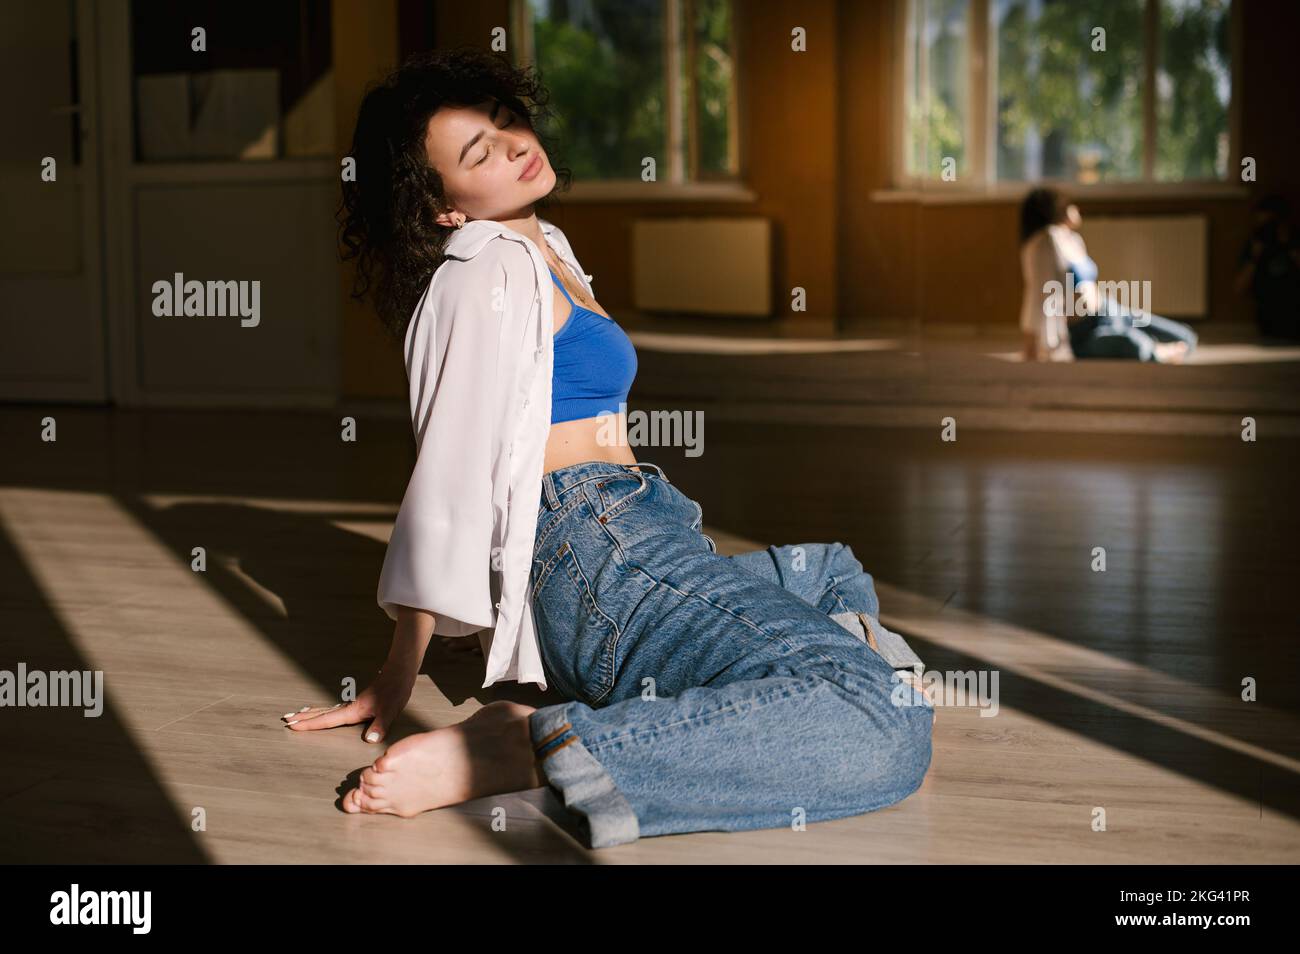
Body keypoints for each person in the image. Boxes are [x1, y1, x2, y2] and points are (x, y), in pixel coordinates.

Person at [281, 47, 934, 849]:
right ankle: (541, 747)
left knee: (830, 571)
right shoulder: (479, 272)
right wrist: (397, 671)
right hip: (600, 553)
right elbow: (445, 478)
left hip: (633, 534)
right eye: (477, 152)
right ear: (442, 207)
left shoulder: (542, 241)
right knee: (882, 722)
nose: (514, 144)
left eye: (505, 122)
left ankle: (719, 706)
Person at [1018, 187, 1199, 363]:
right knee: (1137, 347)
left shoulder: (1073, 239)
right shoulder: (1046, 242)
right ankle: (1156, 351)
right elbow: (1038, 296)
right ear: (1057, 209)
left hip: (1111, 311)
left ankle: (1158, 351)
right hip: (1086, 332)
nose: (1076, 209)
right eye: (1070, 205)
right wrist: (1032, 344)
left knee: (1186, 336)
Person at [1235, 195, 1300, 339]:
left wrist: (1290, 247)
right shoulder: (1256, 244)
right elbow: (1239, 287)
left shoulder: (1294, 239)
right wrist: (1254, 257)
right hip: (1268, 317)